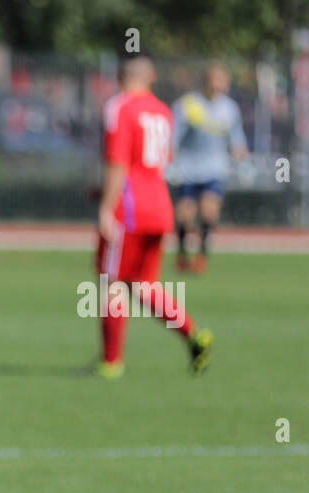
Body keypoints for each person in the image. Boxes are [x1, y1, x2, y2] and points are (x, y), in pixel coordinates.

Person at [96, 55, 214, 378]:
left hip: (129, 209)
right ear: (151, 77)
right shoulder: (162, 111)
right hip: (159, 206)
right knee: (144, 286)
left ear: (119, 78)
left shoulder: (120, 107)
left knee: (112, 285)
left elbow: (118, 162)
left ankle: (110, 363)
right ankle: (193, 334)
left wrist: (106, 207)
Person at [171, 63, 248, 272]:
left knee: (209, 212)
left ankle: (201, 256)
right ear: (206, 81)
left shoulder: (230, 108)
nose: (221, 85)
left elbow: (237, 139)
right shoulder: (187, 105)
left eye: (224, 81)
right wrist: (170, 157)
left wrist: (242, 158)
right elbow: (173, 137)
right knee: (185, 215)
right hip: (188, 168)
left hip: (215, 168)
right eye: (217, 80)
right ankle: (181, 253)